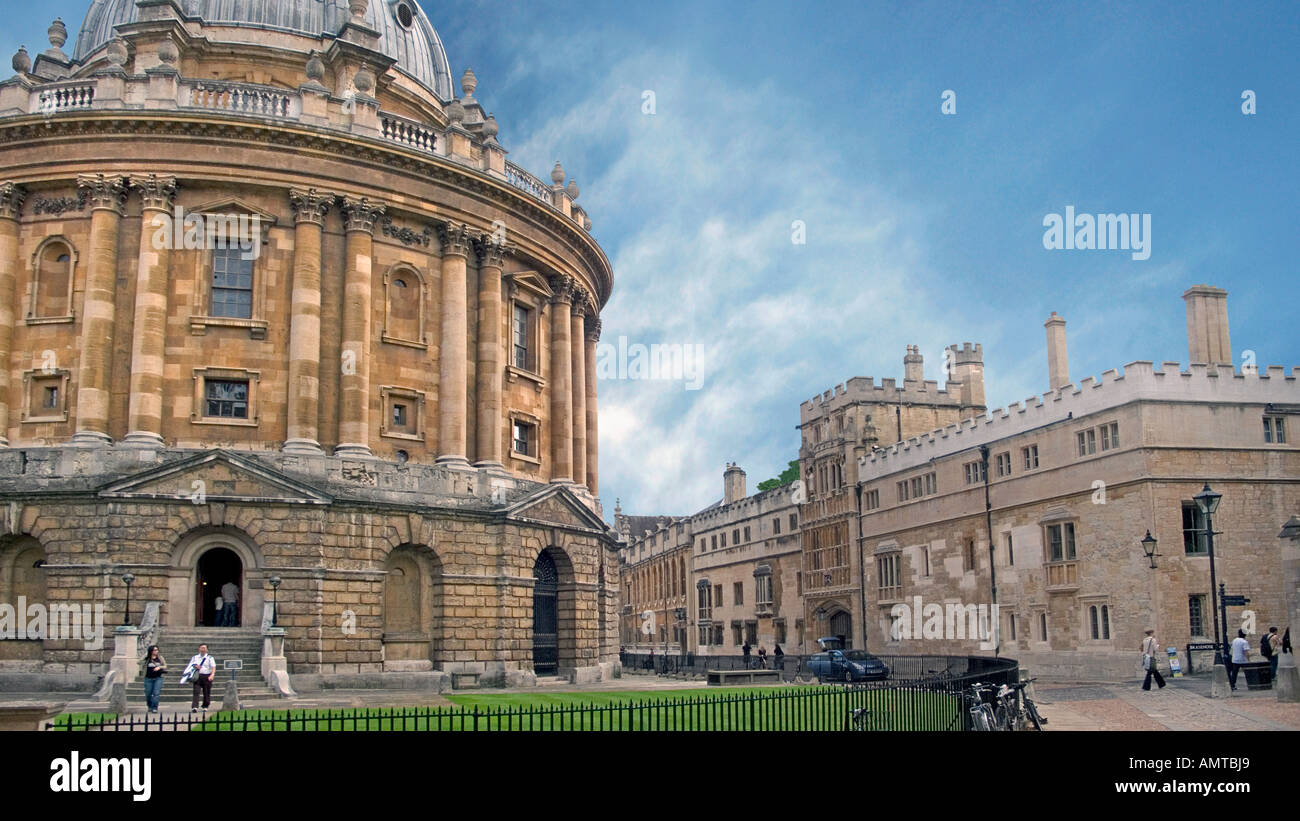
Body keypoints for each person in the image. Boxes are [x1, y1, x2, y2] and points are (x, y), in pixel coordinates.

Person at [186, 643, 216, 712]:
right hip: (198, 676)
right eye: (201, 648)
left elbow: (213, 667)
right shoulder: (195, 657)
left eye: (204, 648)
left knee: (206, 692)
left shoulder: (210, 658)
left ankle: (205, 706)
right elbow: (191, 665)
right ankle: (194, 706)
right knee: (196, 691)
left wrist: (212, 675)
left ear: (207, 650)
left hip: (207, 675)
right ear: (199, 649)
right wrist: (195, 666)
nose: (203, 649)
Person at [142, 645, 167, 713]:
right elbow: (139, 662)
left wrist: (160, 667)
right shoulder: (147, 659)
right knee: (148, 693)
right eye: (154, 650)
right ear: (151, 651)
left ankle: (154, 707)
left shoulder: (160, 658)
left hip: (158, 678)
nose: (156, 651)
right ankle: (150, 706)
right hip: (148, 678)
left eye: (157, 650)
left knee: (156, 693)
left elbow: (165, 665)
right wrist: (146, 656)